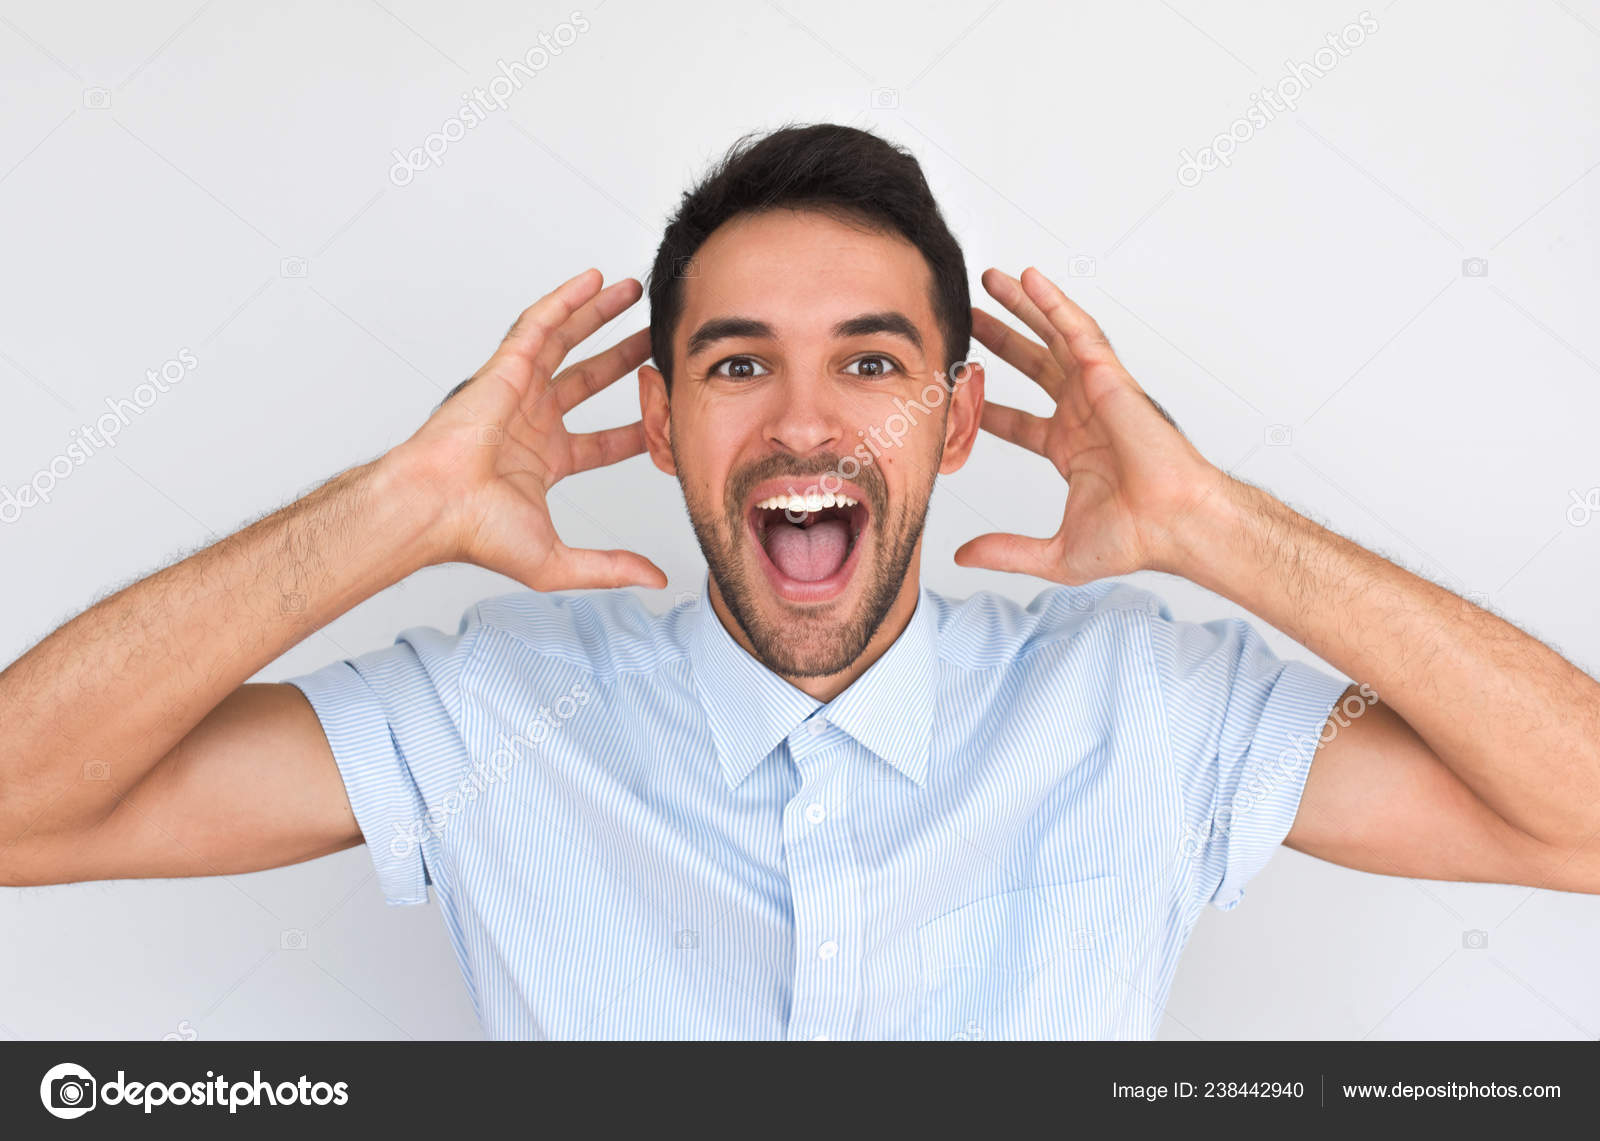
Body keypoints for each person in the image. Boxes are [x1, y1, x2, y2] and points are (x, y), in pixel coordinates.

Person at [3, 124, 1596, 1040]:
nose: (807, 422)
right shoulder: (490, 705)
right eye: (739, 362)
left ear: (960, 419)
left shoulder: (1146, 703)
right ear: (663, 420)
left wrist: (1218, 525)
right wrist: (396, 509)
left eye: (876, 362)